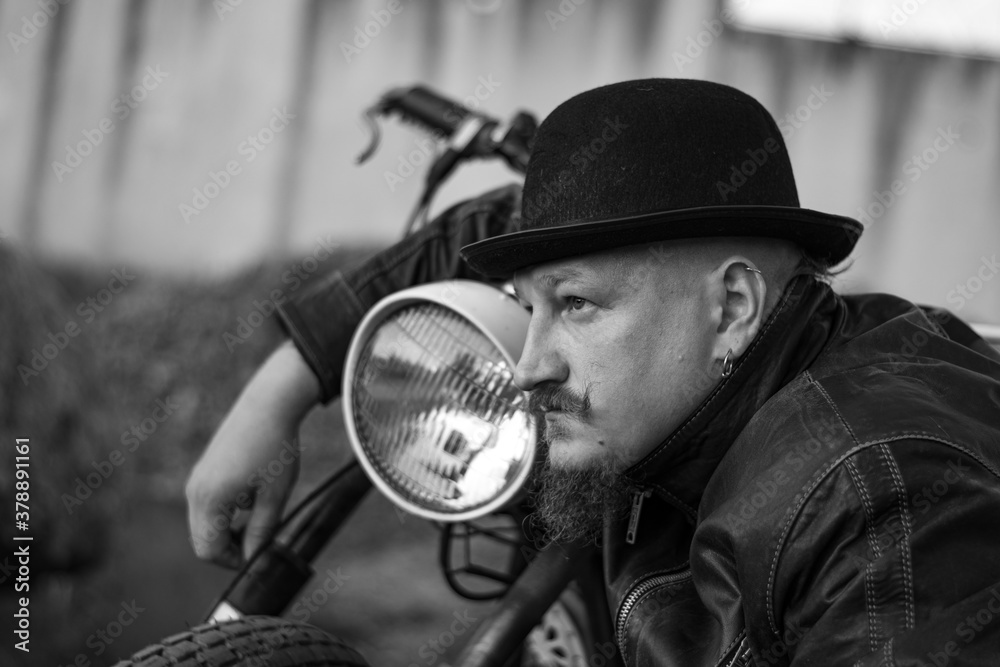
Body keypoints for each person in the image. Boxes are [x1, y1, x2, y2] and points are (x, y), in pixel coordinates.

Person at [186, 79, 1000, 666]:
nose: (530, 365)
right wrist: (278, 394)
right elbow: (486, 224)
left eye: (574, 306)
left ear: (733, 305)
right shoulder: (690, 364)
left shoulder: (878, 508)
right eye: (526, 303)